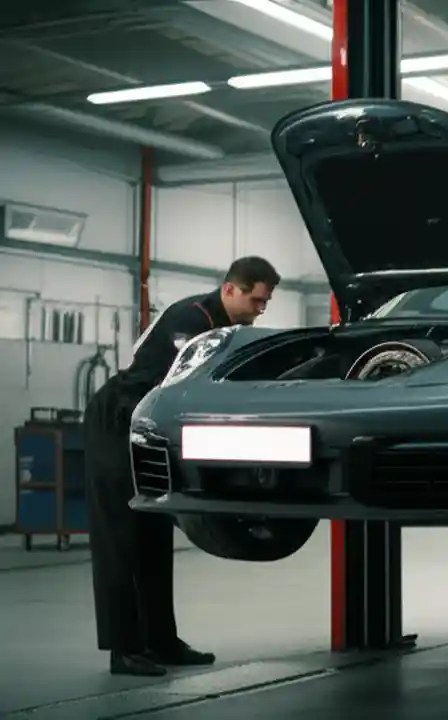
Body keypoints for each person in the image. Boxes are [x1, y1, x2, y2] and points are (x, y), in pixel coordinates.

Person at [85, 256, 281, 676]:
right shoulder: (190, 320)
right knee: (121, 534)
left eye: (266, 303)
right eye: (257, 300)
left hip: (150, 424)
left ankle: (161, 641)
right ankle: (124, 649)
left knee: (154, 532)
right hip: (117, 420)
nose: (261, 310)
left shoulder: (228, 329)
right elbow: (192, 385)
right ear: (230, 289)